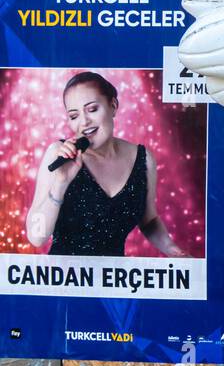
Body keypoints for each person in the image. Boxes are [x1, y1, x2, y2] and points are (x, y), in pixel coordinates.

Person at [26, 72, 185, 259]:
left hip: (115, 282)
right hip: (65, 282)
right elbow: (36, 238)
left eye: (92, 109)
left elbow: (149, 220)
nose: (84, 122)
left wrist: (172, 249)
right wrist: (61, 183)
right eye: (74, 115)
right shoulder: (58, 154)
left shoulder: (144, 159)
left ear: (113, 106)